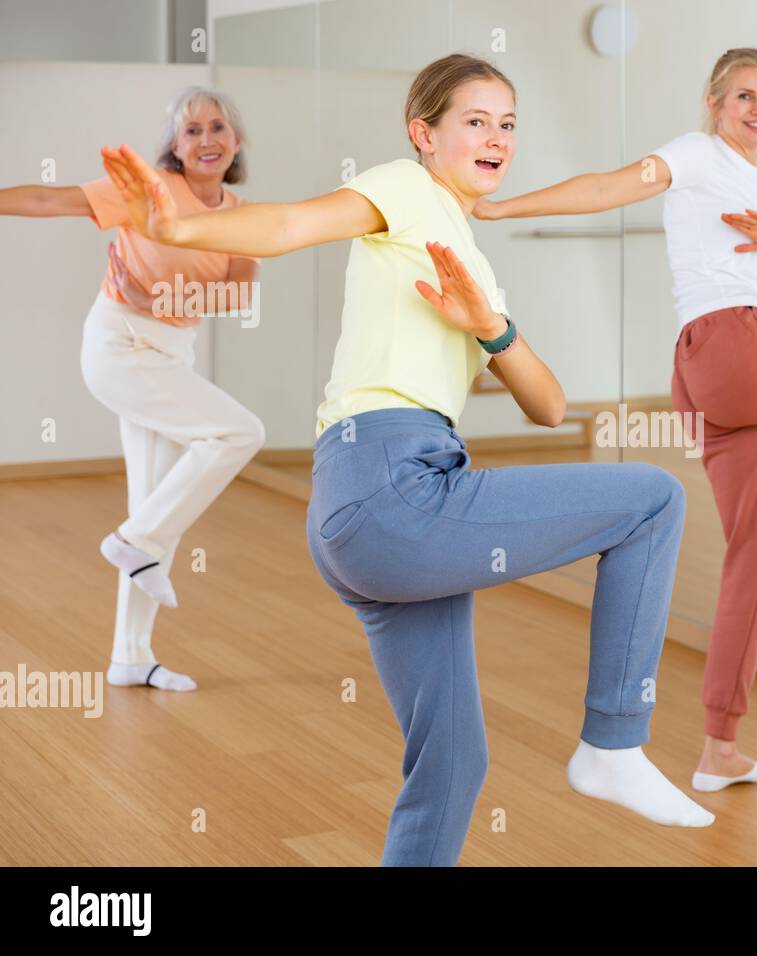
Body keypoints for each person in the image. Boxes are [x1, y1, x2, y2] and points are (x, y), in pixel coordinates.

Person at [100, 53, 714, 865]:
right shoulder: (404, 187)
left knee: (453, 763)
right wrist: (178, 227)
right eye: (475, 120)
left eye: (508, 123)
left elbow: (550, 406)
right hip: (389, 487)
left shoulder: (470, 259)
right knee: (654, 499)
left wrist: (486, 323)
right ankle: (613, 743)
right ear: (424, 135)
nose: (497, 137)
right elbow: (289, 226)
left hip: (377, 513)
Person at [473, 48, 757, 791]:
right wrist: (502, 206)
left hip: (711, 377)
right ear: (715, 103)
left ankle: (719, 748)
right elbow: (604, 187)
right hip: (735, 350)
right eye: (743, 95)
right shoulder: (694, 155)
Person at [0, 85, 264, 692]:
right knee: (241, 432)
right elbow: (47, 198)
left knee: (154, 500)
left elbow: (238, 298)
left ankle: (131, 655)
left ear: (236, 142)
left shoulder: (244, 217)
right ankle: (131, 541)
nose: (205, 140)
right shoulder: (146, 189)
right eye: (191, 130)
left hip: (171, 354)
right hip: (118, 346)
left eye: (217, 127)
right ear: (174, 145)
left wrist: (166, 295)